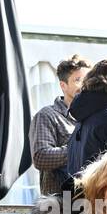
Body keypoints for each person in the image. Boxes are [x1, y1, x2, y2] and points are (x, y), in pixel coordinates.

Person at [30, 55, 88, 195]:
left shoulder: (93, 117)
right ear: (63, 85)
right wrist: (82, 150)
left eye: (87, 80)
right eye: (78, 80)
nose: (84, 86)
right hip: (58, 205)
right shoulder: (47, 115)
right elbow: (40, 157)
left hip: (90, 204)